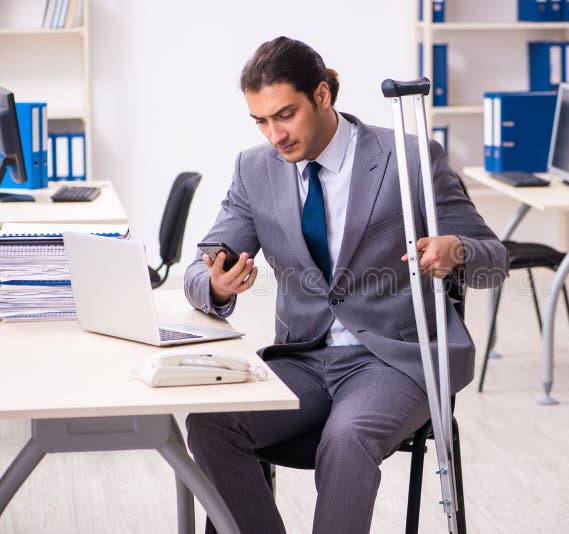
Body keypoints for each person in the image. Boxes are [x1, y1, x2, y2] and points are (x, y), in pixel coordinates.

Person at [184, 36, 508, 534]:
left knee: (347, 437)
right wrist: (219, 286)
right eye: (261, 121)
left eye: (285, 115)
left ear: (322, 95)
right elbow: (198, 270)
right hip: (303, 360)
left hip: (394, 359)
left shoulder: (409, 158)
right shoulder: (255, 170)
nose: (275, 134)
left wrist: (457, 251)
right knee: (210, 424)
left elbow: (495, 260)